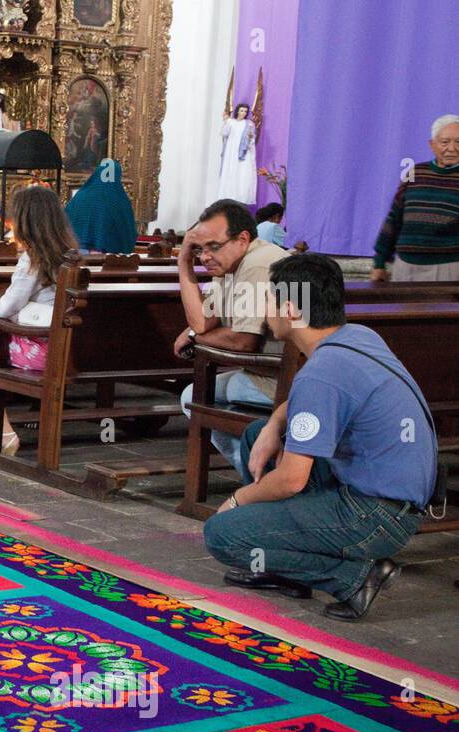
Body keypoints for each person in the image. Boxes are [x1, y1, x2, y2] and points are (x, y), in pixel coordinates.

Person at [204, 254, 436, 621]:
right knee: (255, 435)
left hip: (375, 515)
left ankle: (356, 578)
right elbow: (312, 396)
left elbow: (293, 479)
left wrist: (235, 500)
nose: (265, 308)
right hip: (389, 497)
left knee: (222, 535)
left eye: (270, 298)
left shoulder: (324, 373)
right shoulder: (355, 336)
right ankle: (281, 570)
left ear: (291, 309)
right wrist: (272, 425)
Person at [0, 187, 77, 459]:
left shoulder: (33, 258)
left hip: (43, 351)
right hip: (61, 346)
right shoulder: (67, 252)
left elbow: (8, 306)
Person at [175, 199, 290, 476]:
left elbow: (242, 342)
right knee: (201, 396)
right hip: (268, 369)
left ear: (242, 238)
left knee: (200, 395)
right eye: (199, 249)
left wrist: (194, 339)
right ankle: (260, 473)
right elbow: (202, 321)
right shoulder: (230, 266)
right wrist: (183, 262)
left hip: (283, 379)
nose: (204, 257)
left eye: (213, 246)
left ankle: (261, 479)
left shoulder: (257, 264)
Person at [372, 114, 459, 282]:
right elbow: (394, 218)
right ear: (432, 145)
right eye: (445, 142)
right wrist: (379, 262)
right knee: (401, 309)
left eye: (458, 142)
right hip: (405, 265)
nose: (451, 148)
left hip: (450, 266)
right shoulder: (414, 173)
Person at [65, 158, 137, 254]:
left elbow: (65, 222)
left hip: (74, 256)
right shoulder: (119, 200)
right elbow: (128, 231)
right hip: (110, 260)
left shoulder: (80, 196)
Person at [217, 104, 258, 204]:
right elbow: (224, 133)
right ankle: (229, 195)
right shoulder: (231, 122)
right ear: (237, 111)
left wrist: (250, 136)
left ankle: (240, 197)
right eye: (241, 110)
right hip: (231, 151)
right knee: (231, 171)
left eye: (245, 111)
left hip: (242, 152)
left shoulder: (249, 124)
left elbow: (252, 139)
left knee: (242, 173)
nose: (243, 113)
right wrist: (225, 121)